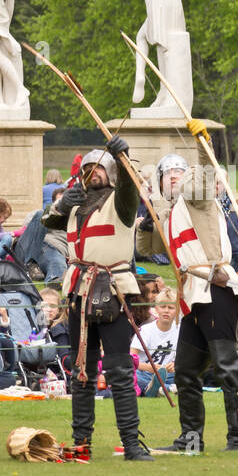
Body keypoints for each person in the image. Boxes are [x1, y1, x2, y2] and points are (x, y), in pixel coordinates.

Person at [41, 137, 152, 459]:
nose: (93, 175)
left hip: (114, 291)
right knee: (81, 371)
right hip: (79, 291)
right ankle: (81, 444)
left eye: (99, 169)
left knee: (118, 371)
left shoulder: (121, 202)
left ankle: (132, 445)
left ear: (110, 173)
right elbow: (47, 220)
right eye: (87, 170)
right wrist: (62, 204)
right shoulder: (73, 207)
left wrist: (123, 157)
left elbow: (131, 187)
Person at [149, 135, 238, 453]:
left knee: (224, 367)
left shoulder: (198, 199)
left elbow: (204, 178)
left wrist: (203, 149)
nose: (175, 176)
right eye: (168, 174)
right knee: (185, 371)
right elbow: (148, 249)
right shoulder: (170, 212)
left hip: (216, 291)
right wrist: (145, 224)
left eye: (180, 171)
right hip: (193, 298)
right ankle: (191, 441)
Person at [13, 187, 68, 284]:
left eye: (64, 202)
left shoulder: (73, 222)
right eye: (59, 202)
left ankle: (53, 280)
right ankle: (30, 262)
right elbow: (27, 232)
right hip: (27, 248)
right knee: (40, 215)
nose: (61, 205)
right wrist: (51, 217)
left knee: (57, 266)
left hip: (52, 250)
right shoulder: (40, 213)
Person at [132, 286, 178, 397]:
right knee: (133, 376)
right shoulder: (145, 330)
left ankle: (159, 389)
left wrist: (176, 365)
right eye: (163, 307)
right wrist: (149, 368)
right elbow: (131, 358)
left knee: (186, 373)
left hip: (169, 374)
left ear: (177, 310)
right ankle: (167, 389)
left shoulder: (181, 330)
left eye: (171, 307)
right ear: (156, 308)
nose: (166, 311)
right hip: (146, 373)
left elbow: (188, 359)